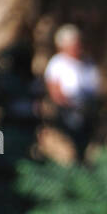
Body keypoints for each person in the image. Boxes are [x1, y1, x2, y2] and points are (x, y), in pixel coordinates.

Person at [43, 24, 99, 162]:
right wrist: (72, 106)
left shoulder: (88, 62)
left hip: (87, 113)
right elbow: (55, 93)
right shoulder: (57, 64)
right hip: (67, 113)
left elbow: (95, 88)